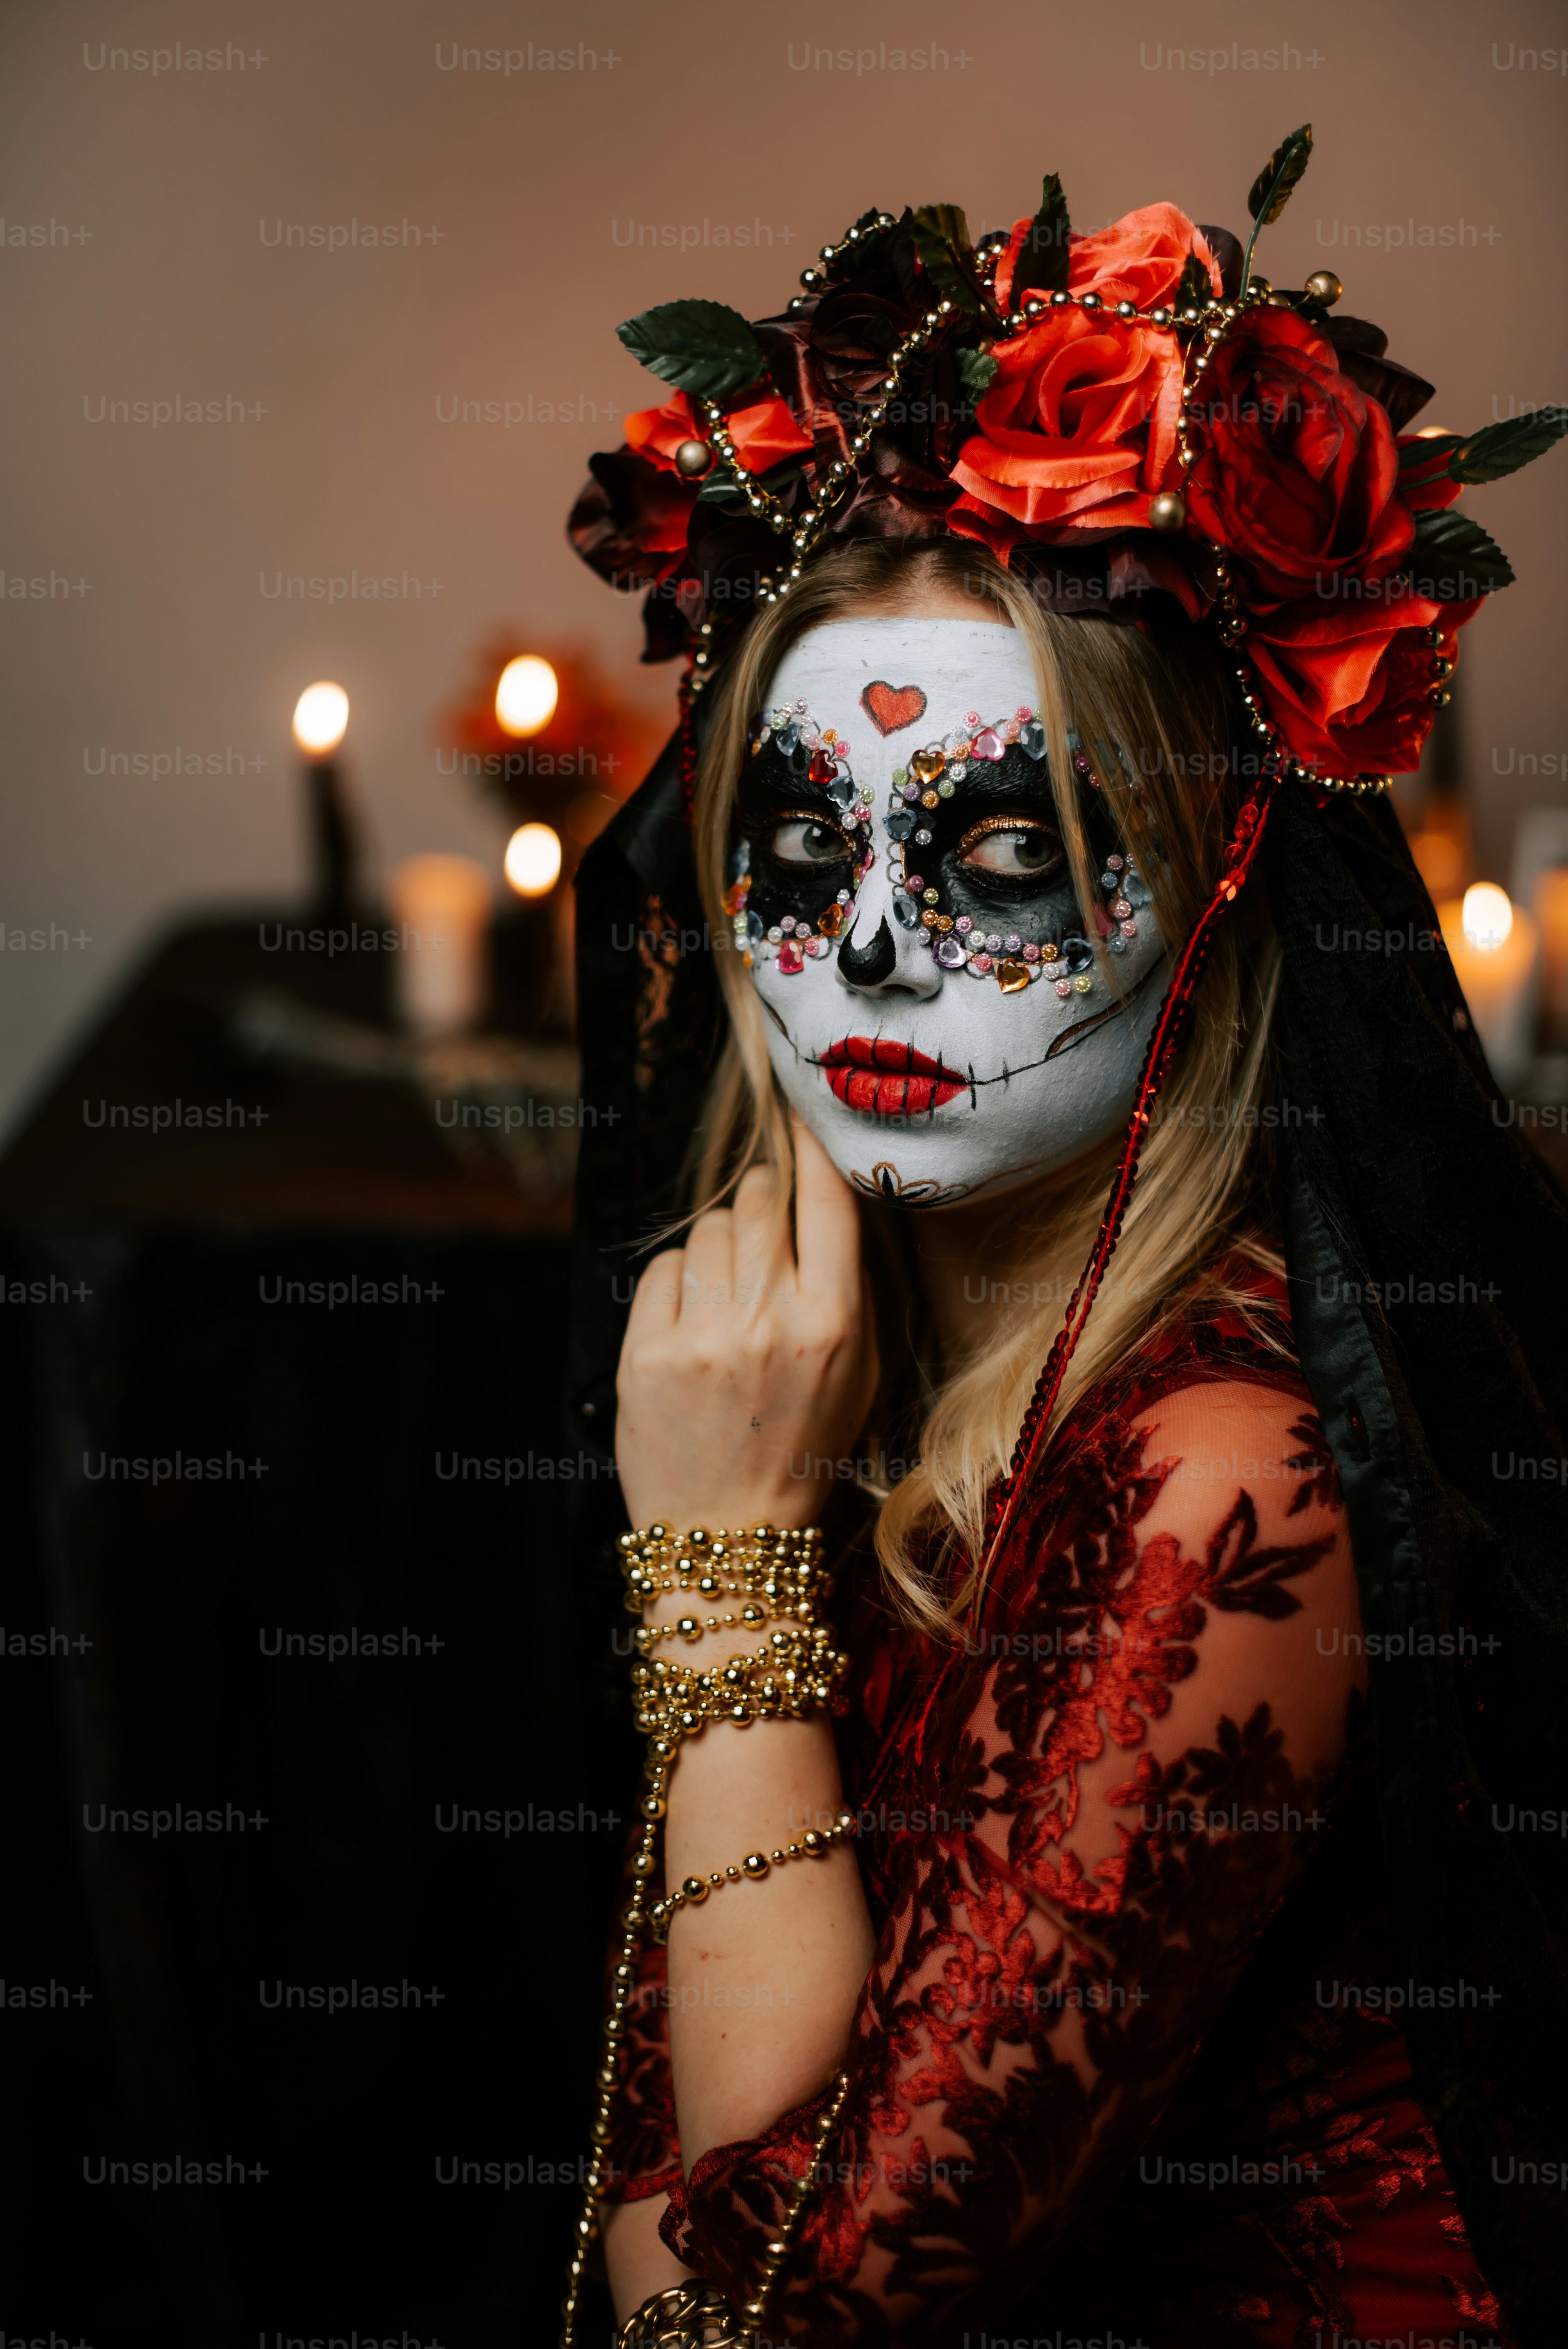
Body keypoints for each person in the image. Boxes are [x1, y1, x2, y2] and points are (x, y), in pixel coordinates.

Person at [559, 139, 1568, 2348]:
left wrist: (719, 1574)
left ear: (1216, 888)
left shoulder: (1233, 1473)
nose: (878, 956)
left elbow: (758, 2314)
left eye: (1013, 851)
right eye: (803, 843)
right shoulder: (830, 1339)